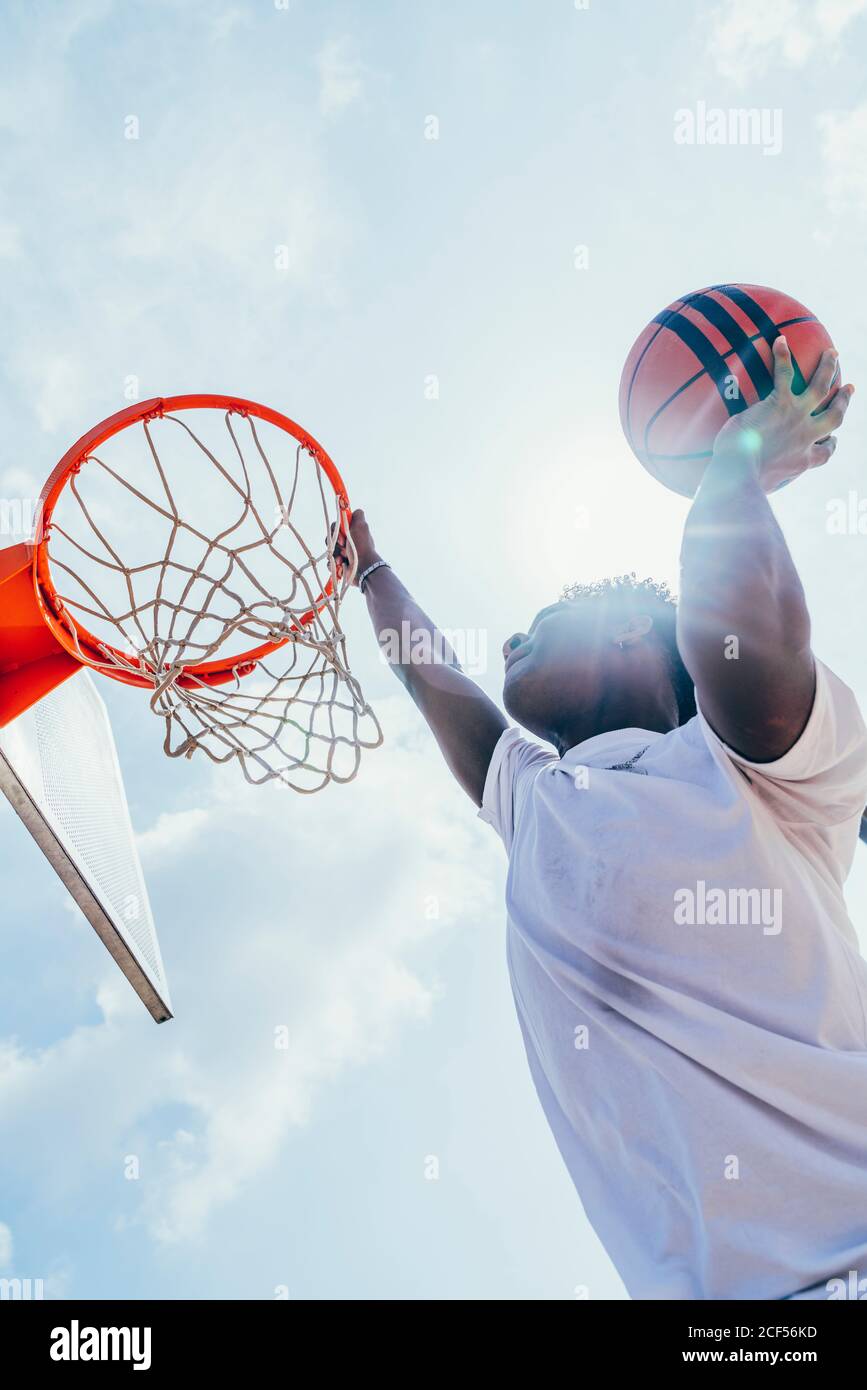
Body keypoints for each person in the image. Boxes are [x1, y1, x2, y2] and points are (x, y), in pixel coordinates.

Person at [336, 338, 867, 1300]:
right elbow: (431, 674)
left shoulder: (753, 762)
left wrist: (734, 466)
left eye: (539, 621)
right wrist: (369, 575)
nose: (505, 637)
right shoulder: (538, 803)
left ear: (629, 627)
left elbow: (739, 638)